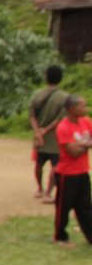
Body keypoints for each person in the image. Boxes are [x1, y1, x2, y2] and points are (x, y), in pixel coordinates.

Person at [52, 94, 92, 245]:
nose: (85, 108)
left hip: (82, 172)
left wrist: (81, 145)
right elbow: (72, 152)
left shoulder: (86, 122)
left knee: (86, 207)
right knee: (63, 207)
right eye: (82, 105)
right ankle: (60, 236)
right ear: (71, 109)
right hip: (66, 174)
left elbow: (77, 148)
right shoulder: (63, 127)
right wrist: (87, 144)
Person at [30, 63, 69, 203]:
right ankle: (48, 192)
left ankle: (39, 189)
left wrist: (38, 132)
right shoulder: (65, 97)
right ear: (61, 78)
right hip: (55, 138)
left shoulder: (37, 95)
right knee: (55, 165)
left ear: (46, 78)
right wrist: (46, 130)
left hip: (39, 137)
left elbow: (32, 116)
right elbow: (60, 119)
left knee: (39, 164)